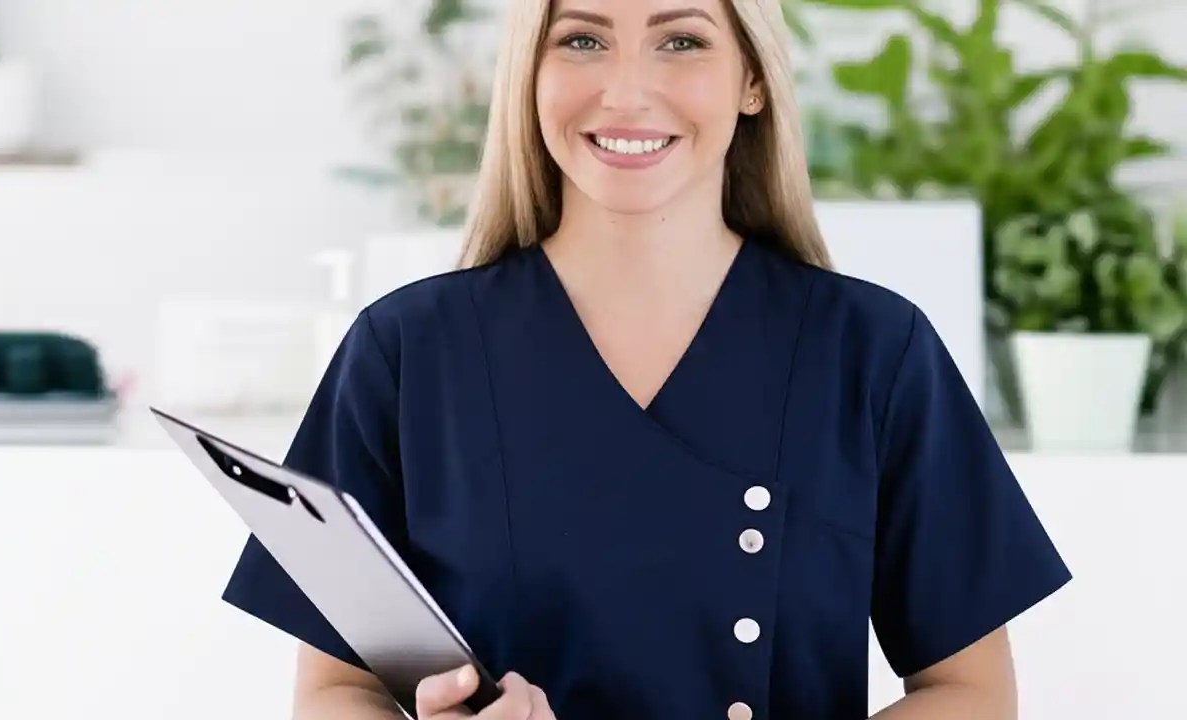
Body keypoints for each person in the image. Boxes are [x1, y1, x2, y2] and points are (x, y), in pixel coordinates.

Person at [221, 0, 1073, 718]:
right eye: (582, 39)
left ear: (751, 80)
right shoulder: (406, 351)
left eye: (682, 40)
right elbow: (336, 688)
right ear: (530, 74)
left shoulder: (874, 352)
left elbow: (970, 691)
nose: (626, 90)